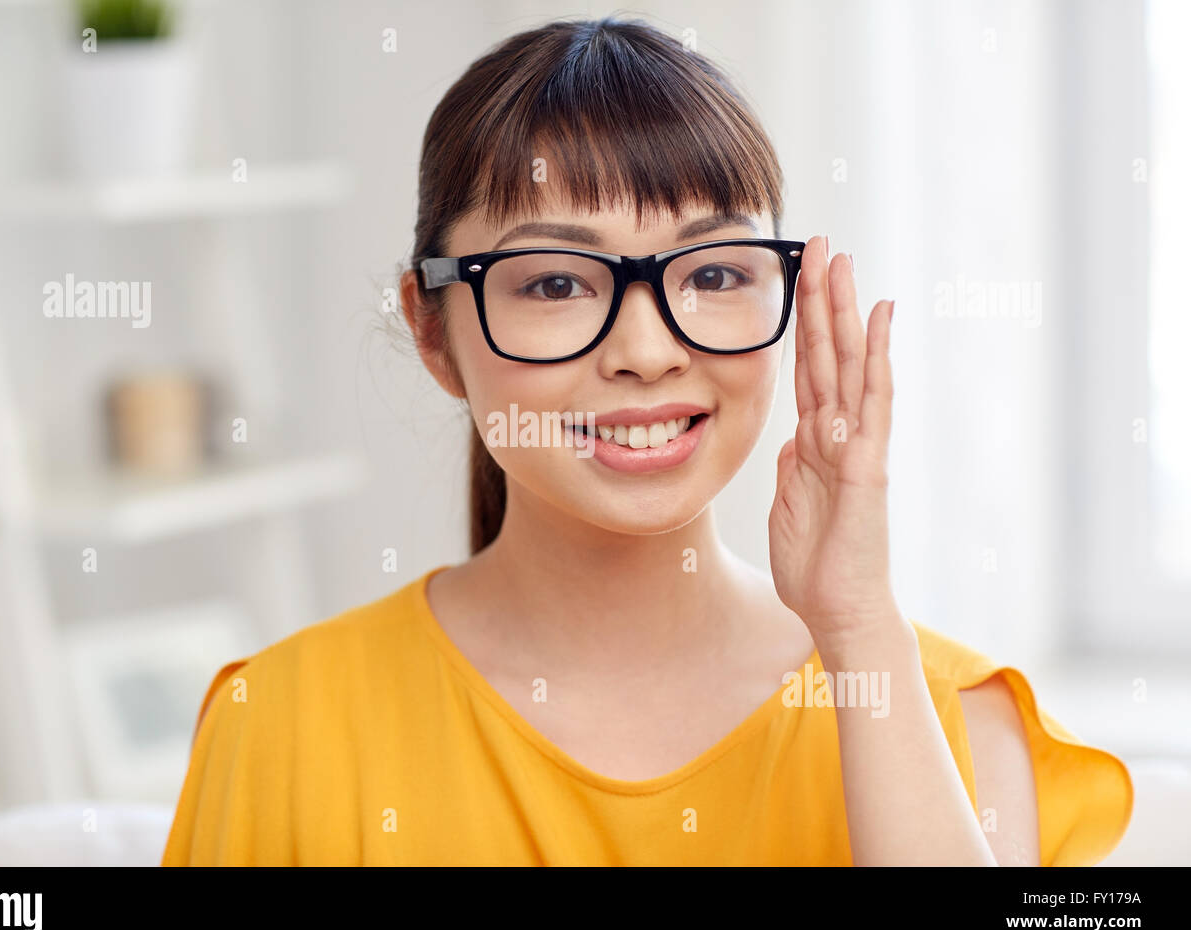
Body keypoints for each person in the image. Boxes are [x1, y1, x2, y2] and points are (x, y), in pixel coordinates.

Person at [162, 16, 1131, 866]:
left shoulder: (955, 716)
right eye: (553, 282)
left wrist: (859, 629)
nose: (646, 350)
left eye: (712, 273)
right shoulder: (283, 723)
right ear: (432, 328)